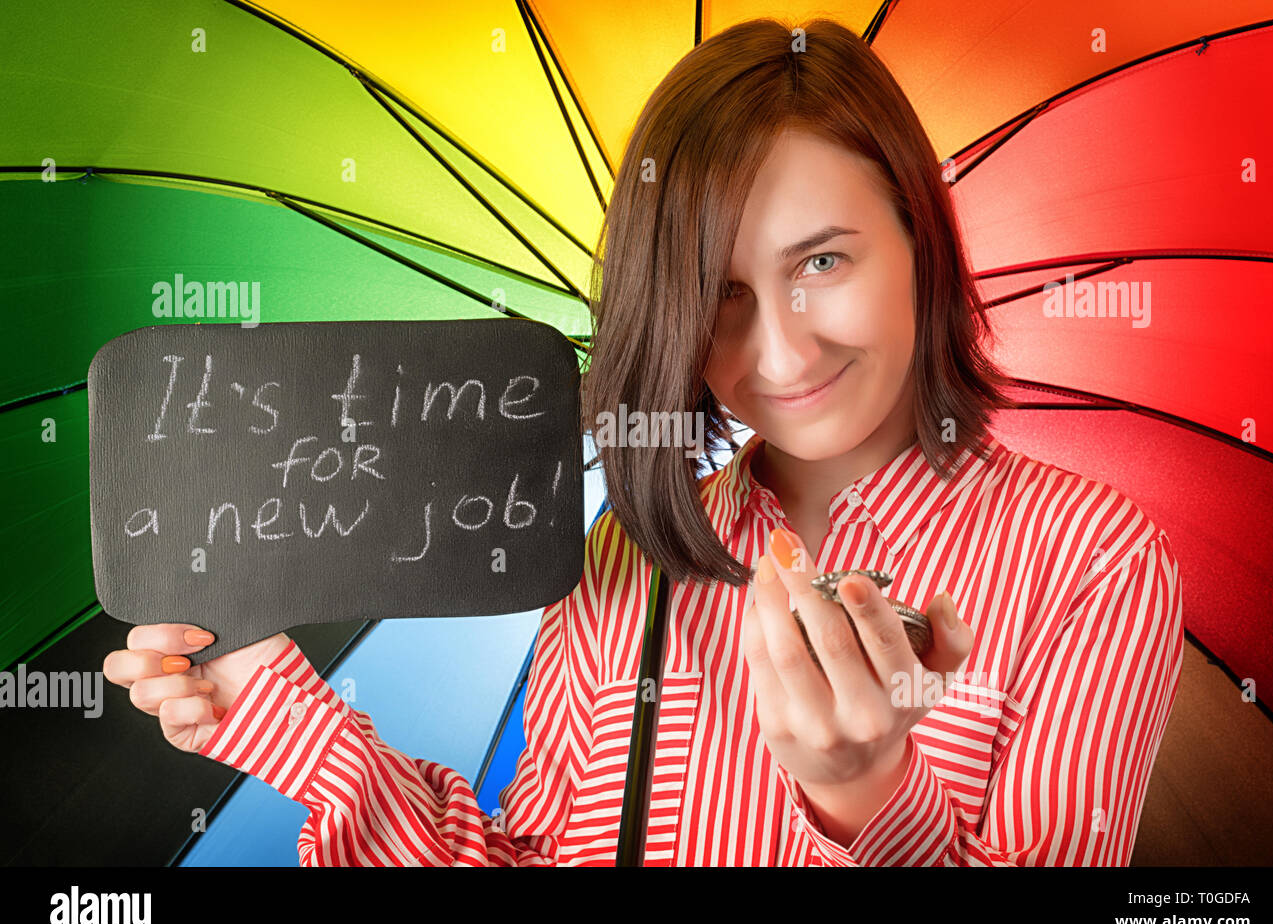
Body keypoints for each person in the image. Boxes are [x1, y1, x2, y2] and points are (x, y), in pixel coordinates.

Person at [102, 17, 1183, 866]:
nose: (781, 347)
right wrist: (290, 722)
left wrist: (866, 798)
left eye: (822, 261)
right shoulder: (631, 551)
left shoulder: (1092, 556)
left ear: (915, 231)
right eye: (718, 291)